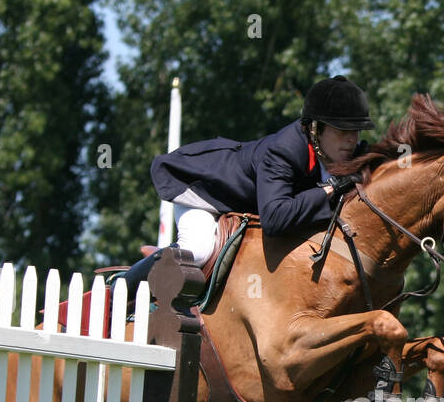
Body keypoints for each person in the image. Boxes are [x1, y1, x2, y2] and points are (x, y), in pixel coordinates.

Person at [147, 75, 374, 271]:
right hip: (204, 190)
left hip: (241, 202)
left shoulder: (335, 152)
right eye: (342, 130)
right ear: (315, 128)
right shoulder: (284, 151)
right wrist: (332, 187)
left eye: (356, 131)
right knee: (198, 252)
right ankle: (129, 282)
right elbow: (274, 219)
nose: (351, 139)